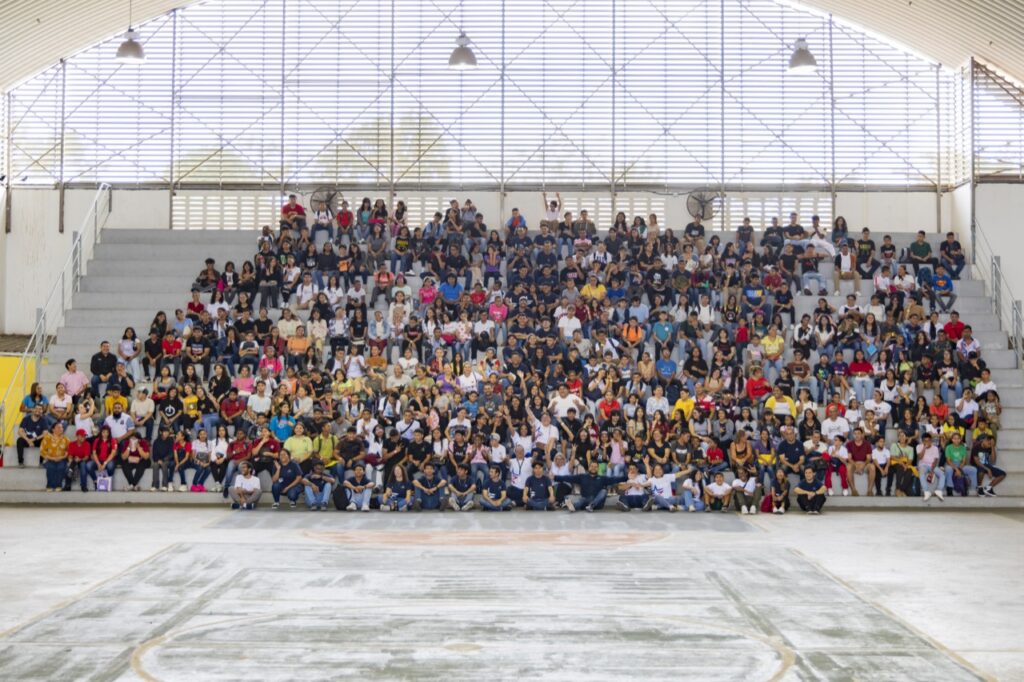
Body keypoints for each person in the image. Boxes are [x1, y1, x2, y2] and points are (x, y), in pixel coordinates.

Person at [555, 460, 623, 512]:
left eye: (595, 467)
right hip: (586, 501)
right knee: (583, 499)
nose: (593, 468)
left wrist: (627, 478)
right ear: (589, 467)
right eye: (592, 466)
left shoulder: (602, 478)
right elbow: (568, 478)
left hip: (598, 504)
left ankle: (591, 505)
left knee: (604, 491)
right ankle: (573, 507)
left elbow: (615, 479)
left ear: (598, 468)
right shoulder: (583, 477)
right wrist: (555, 477)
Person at [39, 423, 70, 492]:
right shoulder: (47, 438)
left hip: (62, 459)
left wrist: (62, 457)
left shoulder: (66, 439)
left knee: (61, 467)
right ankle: (49, 485)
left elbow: (69, 451)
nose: (61, 429)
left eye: (61, 427)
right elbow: (42, 450)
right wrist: (52, 458)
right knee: (51, 467)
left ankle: (58, 485)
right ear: (53, 429)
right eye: (58, 427)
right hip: (49, 458)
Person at [917, 433, 945, 502]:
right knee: (921, 473)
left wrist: (932, 469)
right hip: (923, 465)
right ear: (922, 441)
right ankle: (926, 491)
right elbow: (920, 457)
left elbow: (936, 460)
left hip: (932, 465)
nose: (927, 442)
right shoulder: (919, 446)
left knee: (942, 474)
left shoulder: (935, 448)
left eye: (928, 440)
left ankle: (939, 490)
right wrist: (924, 448)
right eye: (925, 441)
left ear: (931, 441)